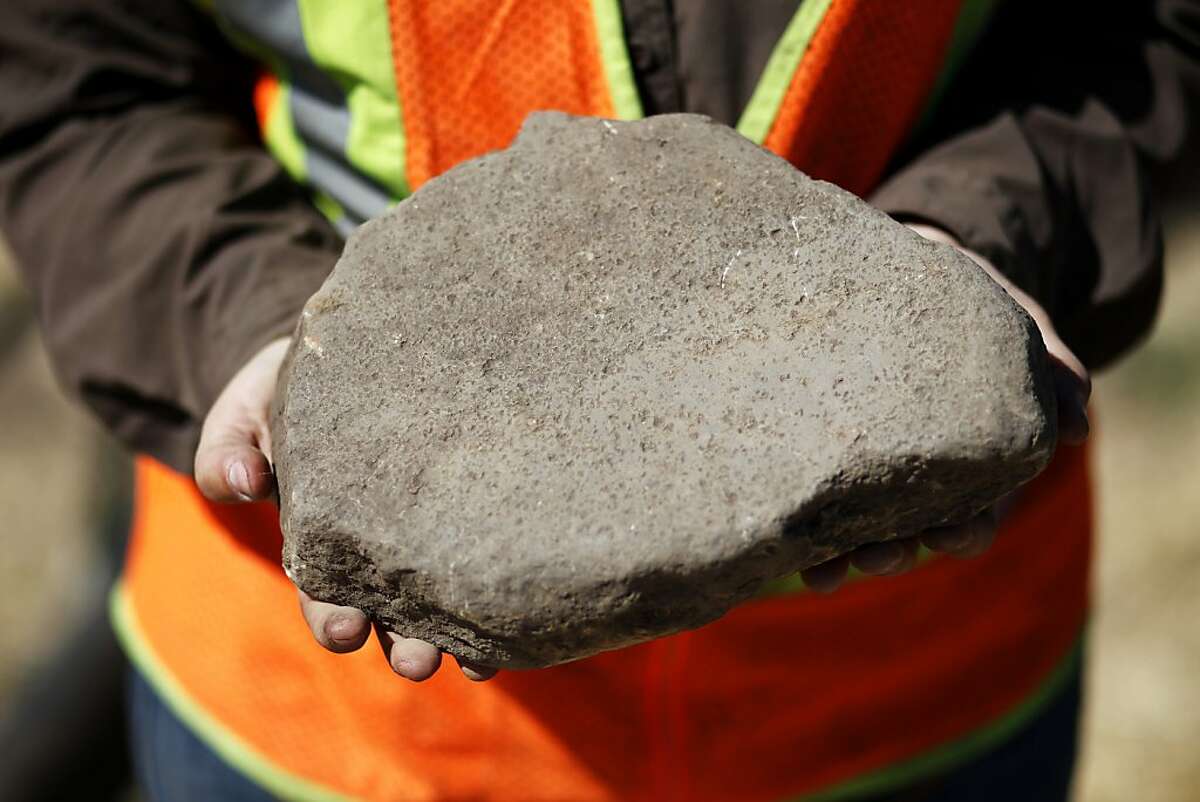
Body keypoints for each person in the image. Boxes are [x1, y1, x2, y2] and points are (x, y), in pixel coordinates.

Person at [0, 1, 1195, 800]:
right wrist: (253, 320)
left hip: (909, 706)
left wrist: (987, 234)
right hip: (331, 738)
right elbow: (73, 80)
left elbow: (1138, 31)